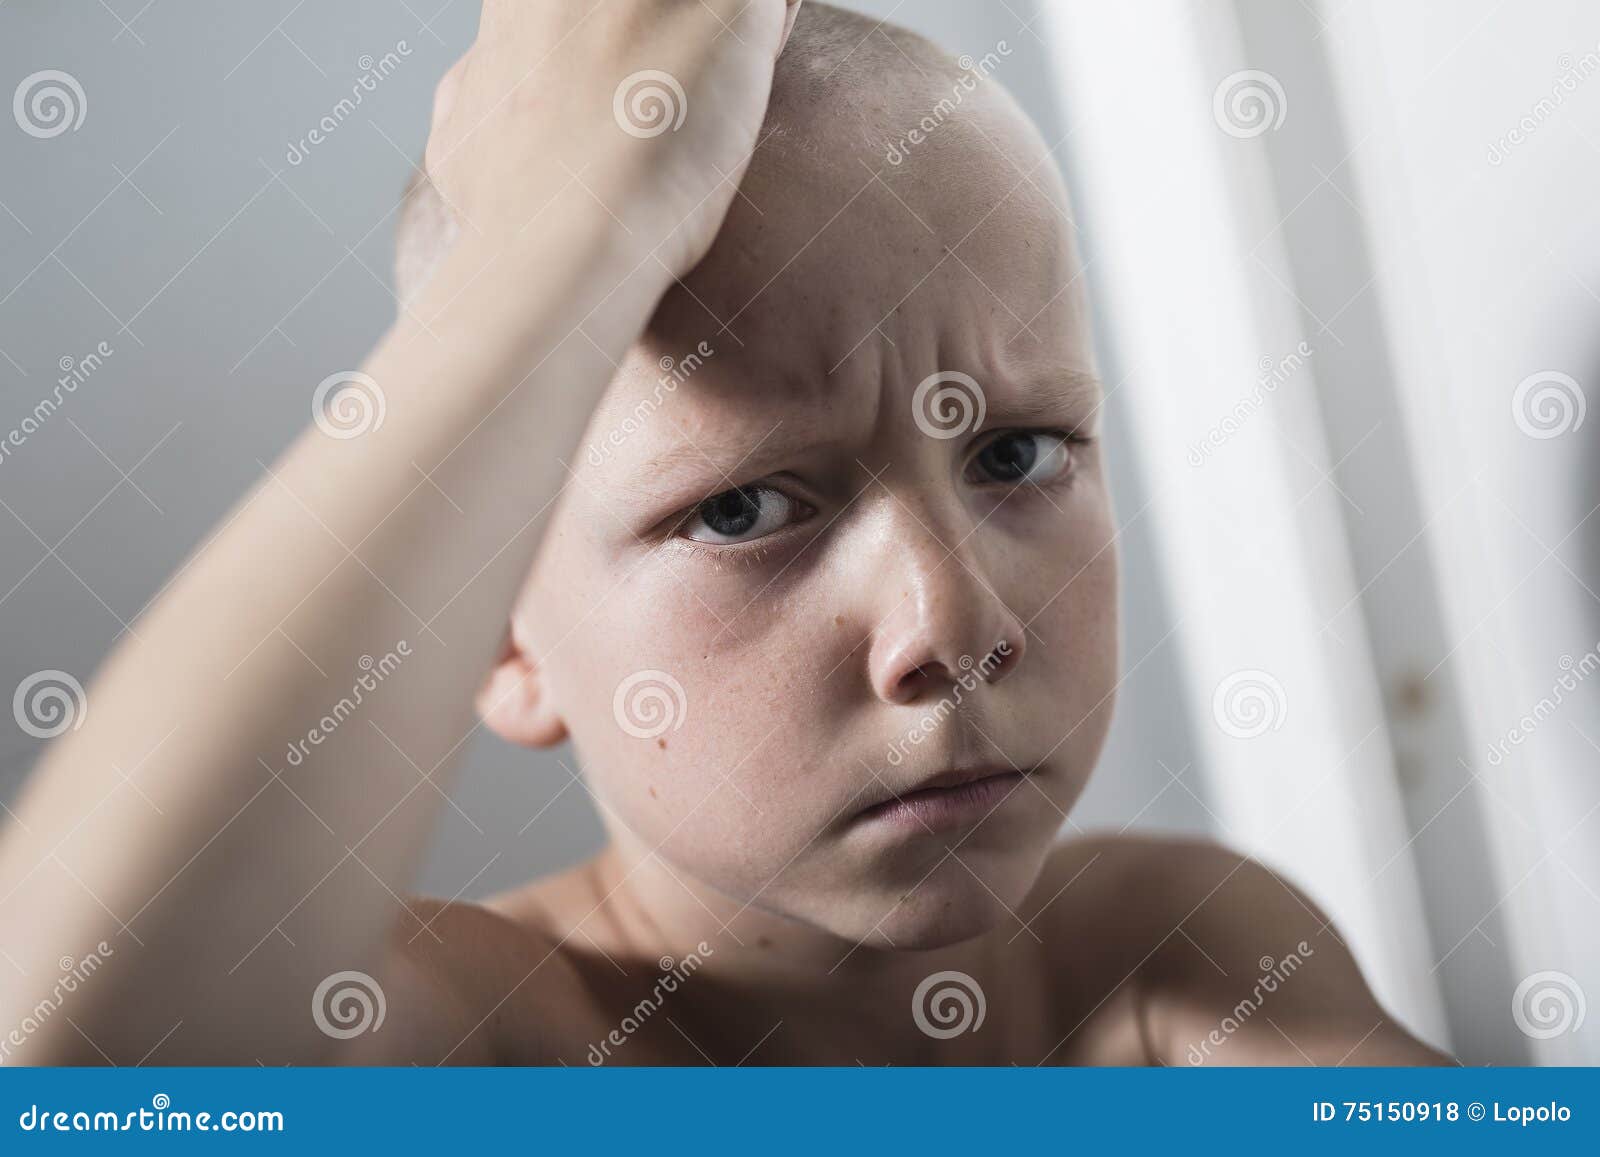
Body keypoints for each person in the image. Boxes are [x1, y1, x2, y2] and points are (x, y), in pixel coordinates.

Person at [0, 0, 1448, 1066]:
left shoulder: (1168, 961)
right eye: (745, 508)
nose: (951, 623)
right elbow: (77, 1059)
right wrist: (564, 231)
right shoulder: (498, 1043)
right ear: (498, 629)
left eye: (1015, 452)